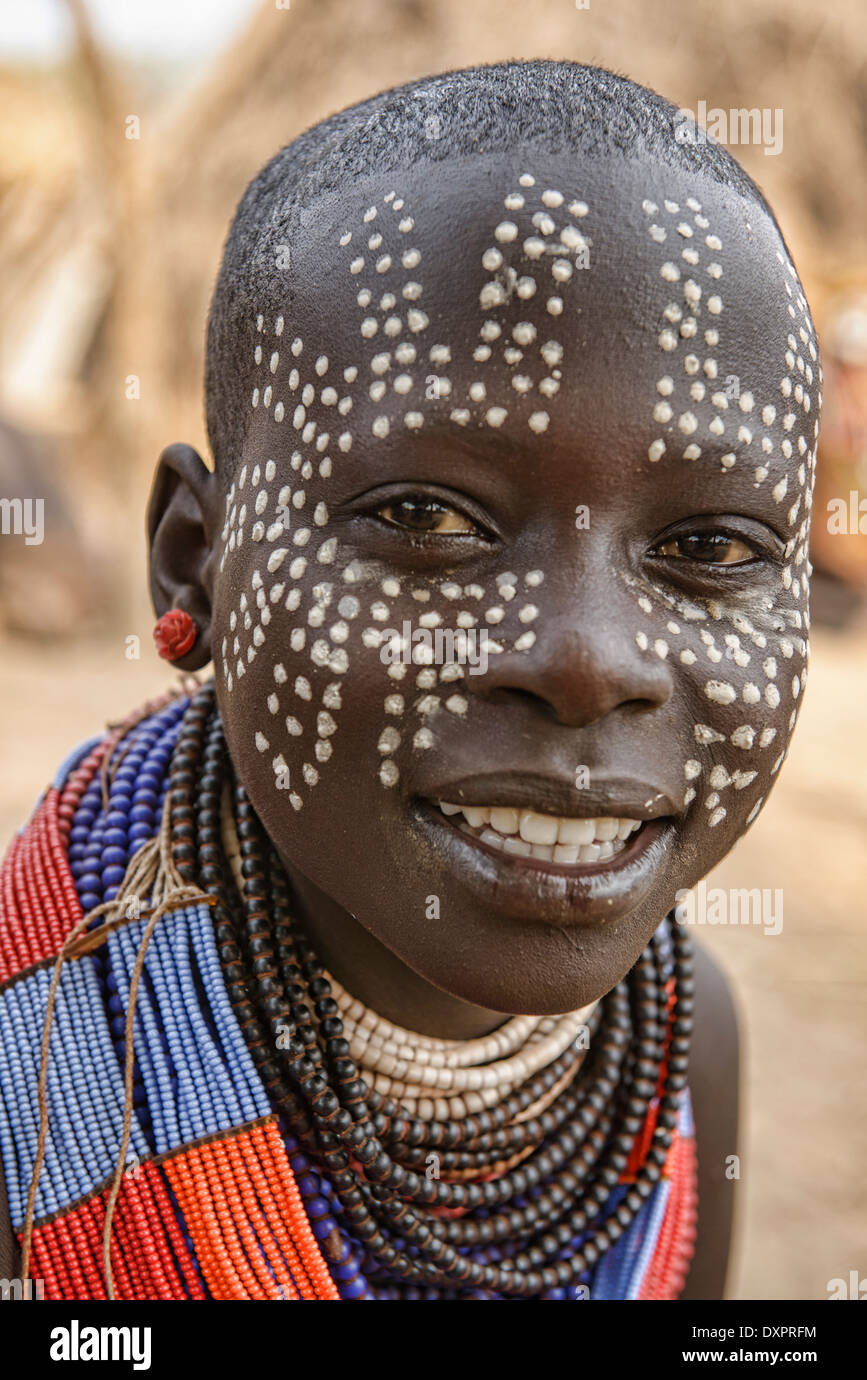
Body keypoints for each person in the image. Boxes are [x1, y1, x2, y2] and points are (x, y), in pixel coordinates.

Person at [0, 59, 818, 1300]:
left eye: (710, 548)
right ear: (195, 565)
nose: (588, 660)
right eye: (431, 519)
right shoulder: (32, 1075)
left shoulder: (685, 1045)